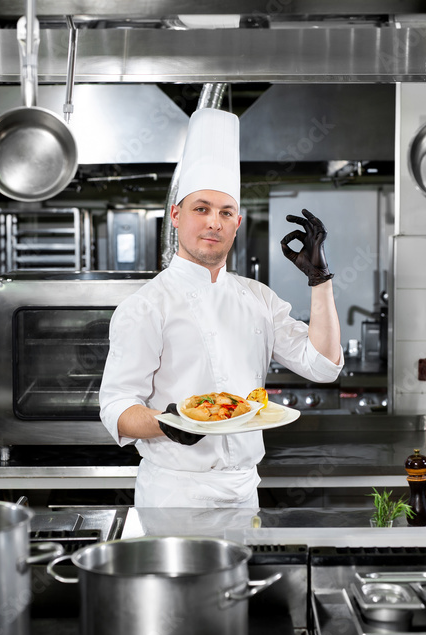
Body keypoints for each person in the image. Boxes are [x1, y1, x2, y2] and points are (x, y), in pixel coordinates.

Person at [98, 107, 343, 508]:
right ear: (175, 216)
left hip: (245, 490)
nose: (214, 222)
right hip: (173, 493)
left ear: (237, 223)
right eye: (201, 209)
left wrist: (320, 281)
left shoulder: (257, 298)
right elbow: (117, 407)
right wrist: (168, 423)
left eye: (225, 213)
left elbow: (323, 365)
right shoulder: (146, 306)